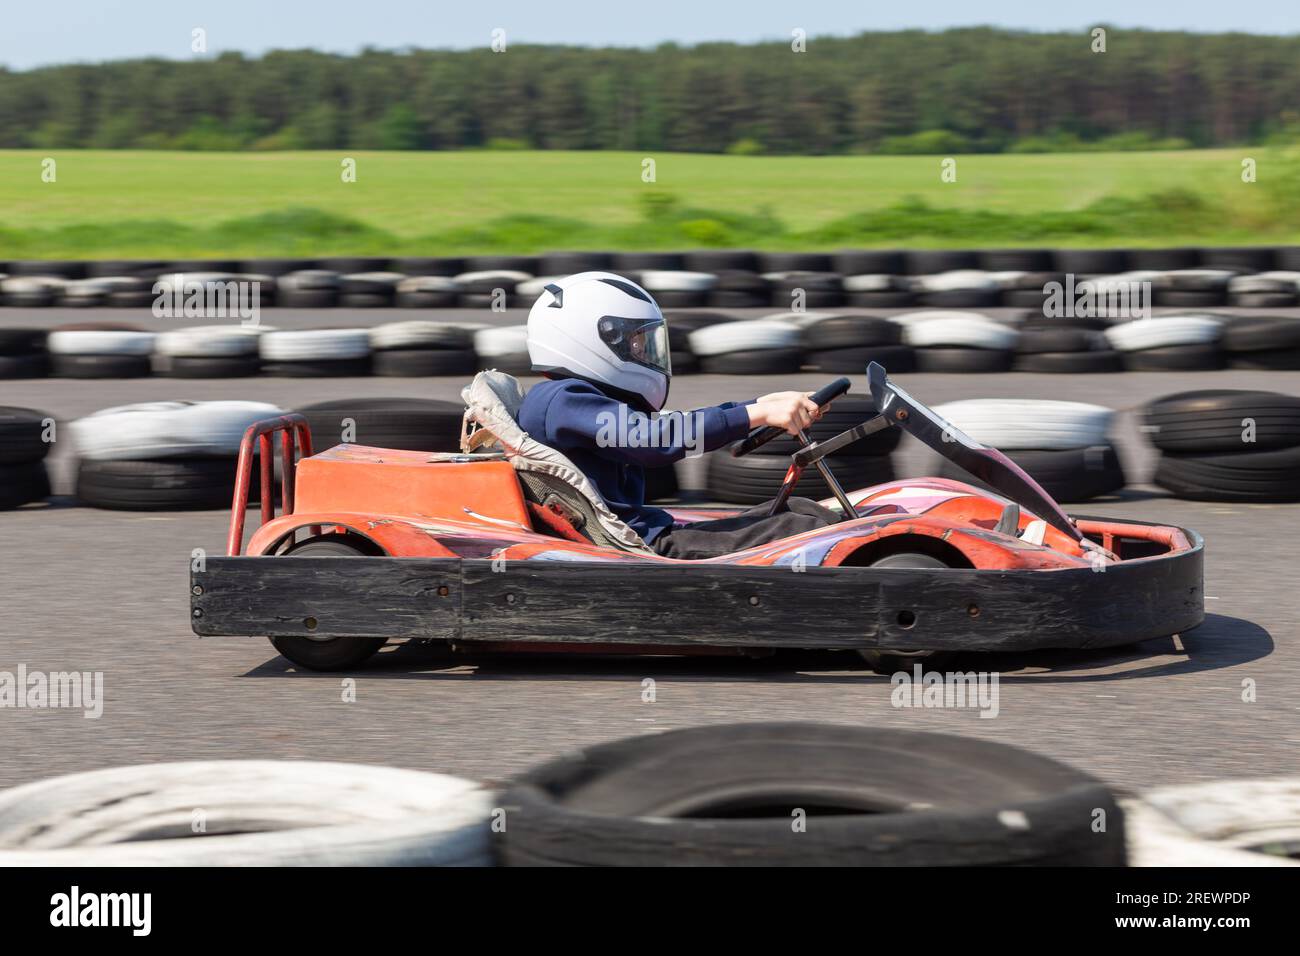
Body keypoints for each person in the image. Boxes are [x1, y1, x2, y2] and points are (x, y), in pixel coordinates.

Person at [516, 271, 836, 559]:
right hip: (643, 546)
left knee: (800, 508)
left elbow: (670, 424)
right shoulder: (561, 400)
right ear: (587, 339)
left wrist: (761, 404)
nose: (643, 353)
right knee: (801, 528)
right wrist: (755, 414)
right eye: (635, 344)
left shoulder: (577, 401)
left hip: (645, 534)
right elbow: (655, 441)